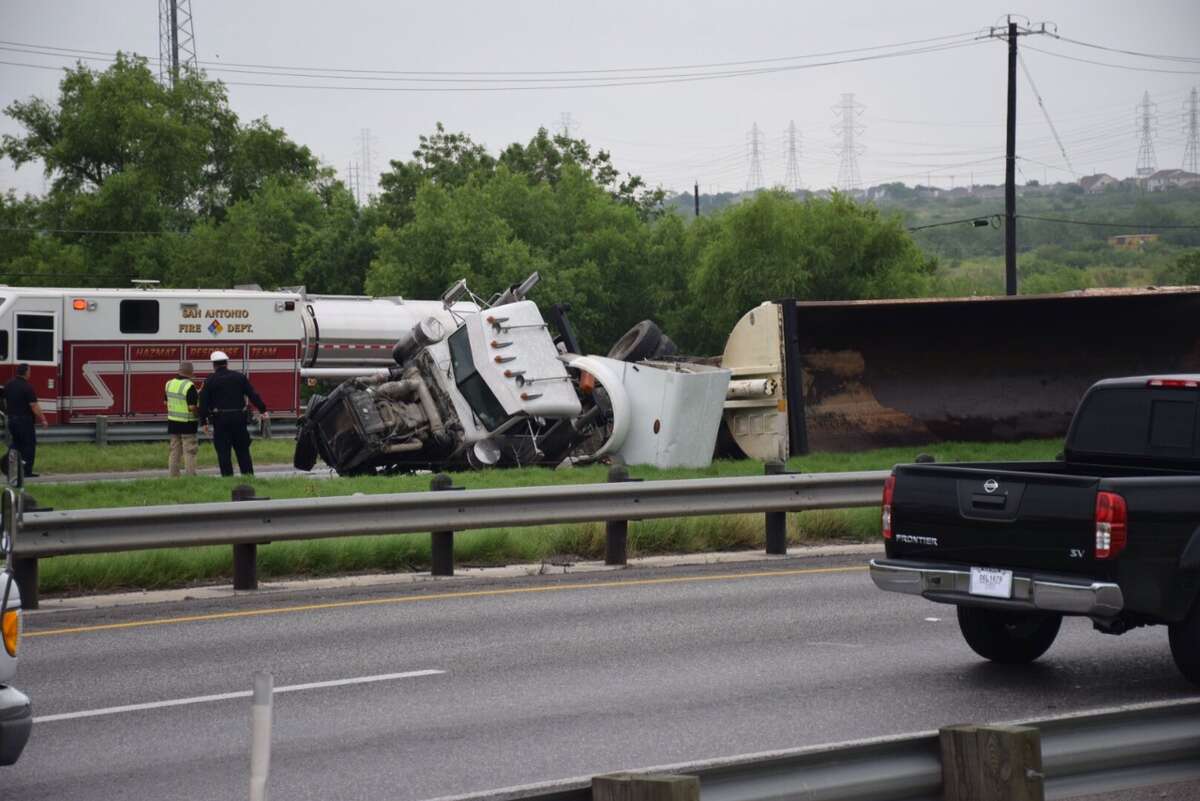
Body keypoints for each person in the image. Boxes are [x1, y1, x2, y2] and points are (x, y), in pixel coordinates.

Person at [198, 350, 268, 477]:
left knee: (223, 452)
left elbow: (203, 403)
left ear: (213, 365)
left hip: (220, 420)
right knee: (243, 451)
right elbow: (252, 394)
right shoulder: (239, 377)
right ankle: (248, 477)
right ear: (227, 363)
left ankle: (227, 479)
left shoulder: (209, 380)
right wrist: (263, 410)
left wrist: (203, 421)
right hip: (239, 420)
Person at [3, 364, 48, 478]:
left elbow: (4, 400)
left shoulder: (9, 384)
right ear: (26, 372)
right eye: (29, 371)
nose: (30, 373)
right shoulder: (27, 387)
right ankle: (27, 471)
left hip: (11, 419)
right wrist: (43, 419)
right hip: (24, 420)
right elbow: (33, 405)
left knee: (16, 443)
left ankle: (9, 468)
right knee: (29, 445)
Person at [164, 361, 200, 477]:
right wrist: (199, 414)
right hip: (187, 424)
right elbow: (192, 407)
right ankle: (190, 477)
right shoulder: (189, 386)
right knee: (189, 451)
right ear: (191, 373)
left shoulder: (169, 383)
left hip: (173, 422)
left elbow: (166, 402)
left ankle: (173, 477)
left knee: (174, 451)